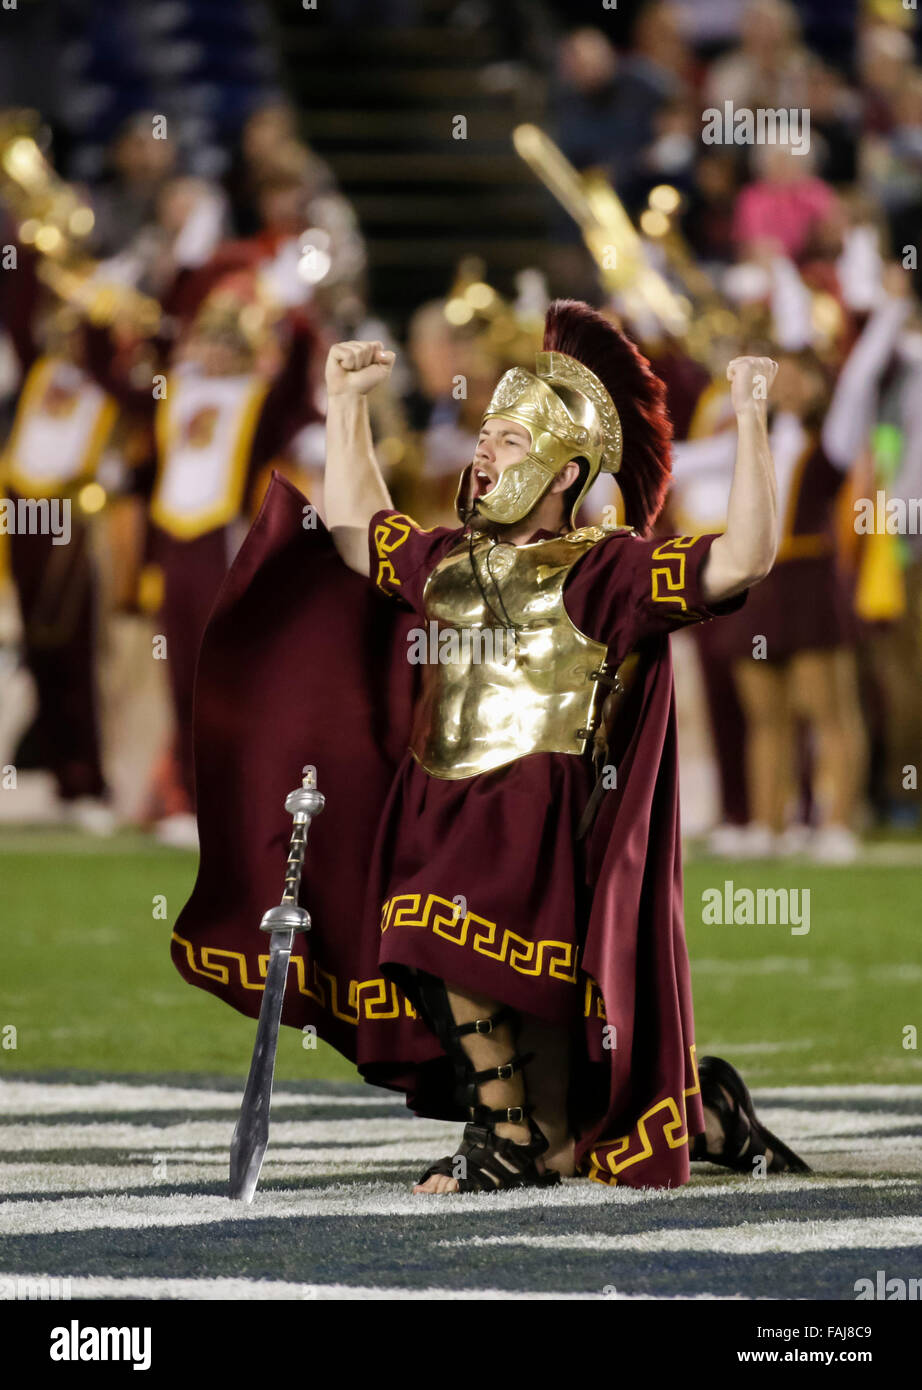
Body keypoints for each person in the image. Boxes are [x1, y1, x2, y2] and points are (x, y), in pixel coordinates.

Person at [175, 299, 809, 1192]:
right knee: (484, 1009)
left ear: (564, 470)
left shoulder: (605, 567)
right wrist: (344, 401)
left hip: (537, 819)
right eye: (487, 434)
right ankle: (617, 1122)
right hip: (437, 797)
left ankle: (530, 1136)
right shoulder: (447, 558)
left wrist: (750, 421)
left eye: (510, 441)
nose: (484, 452)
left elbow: (741, 559)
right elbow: (359, 534)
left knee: (439, 933)